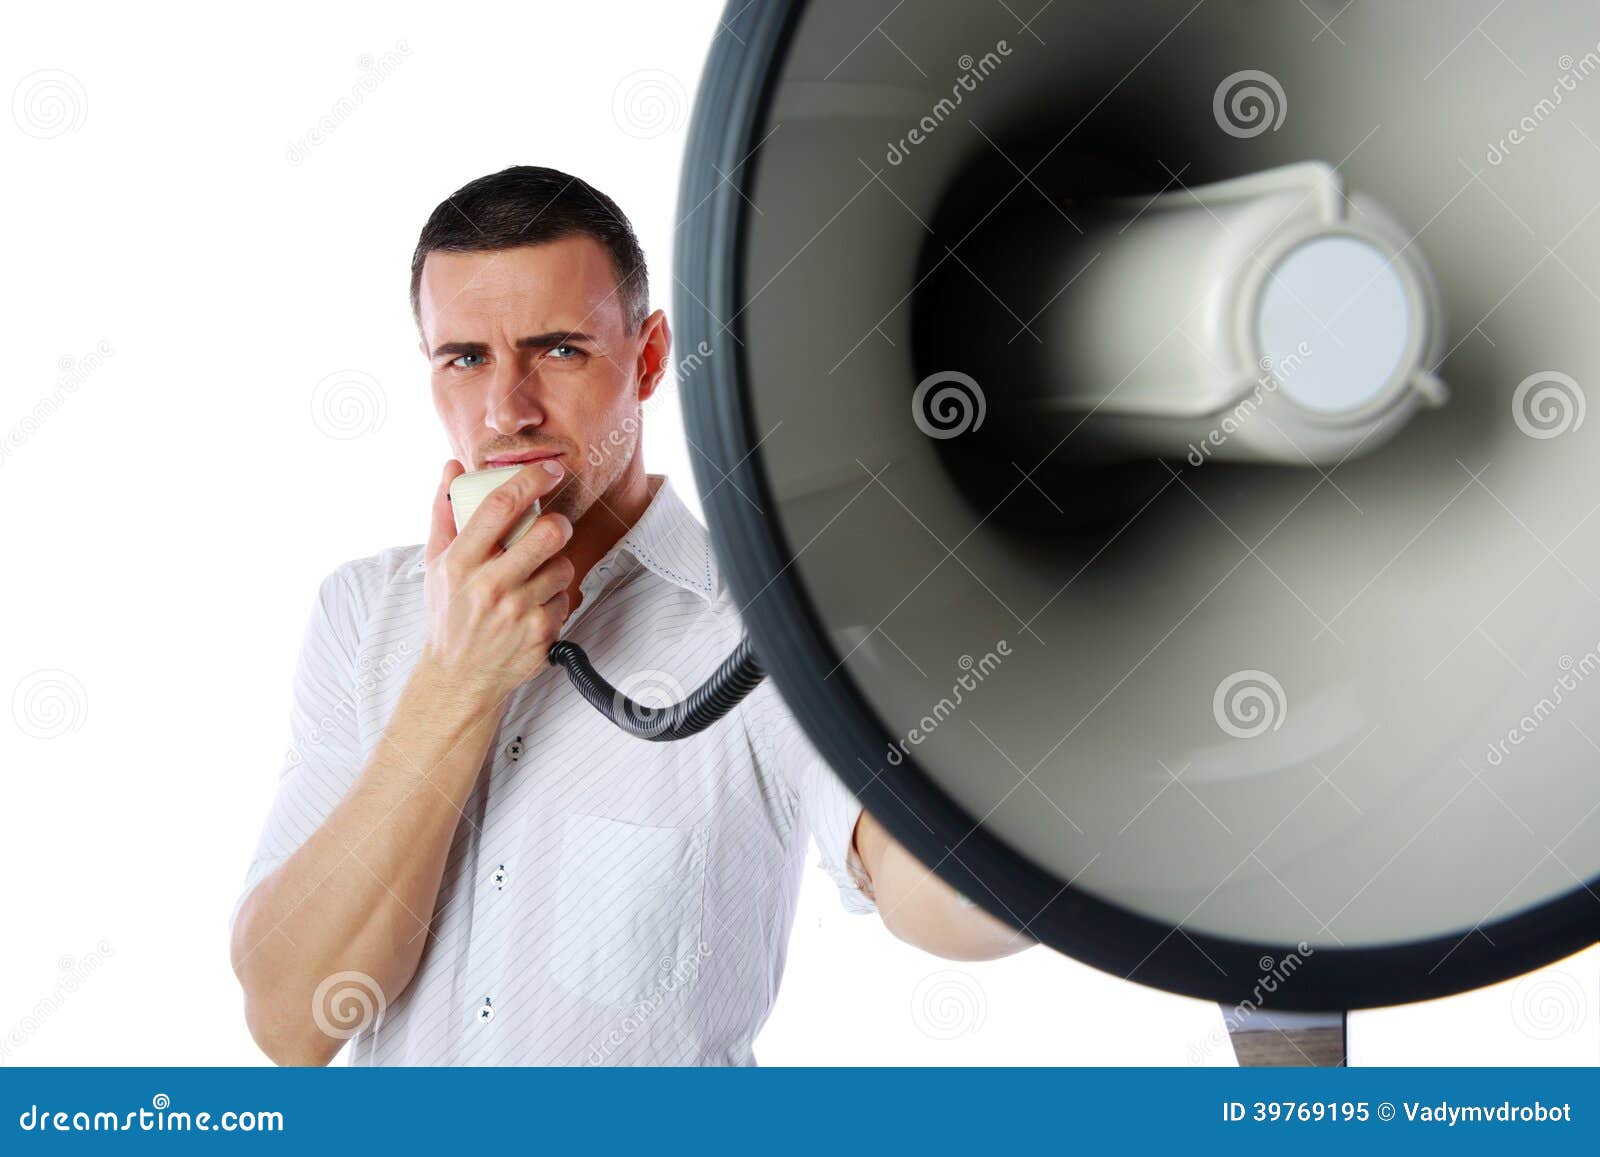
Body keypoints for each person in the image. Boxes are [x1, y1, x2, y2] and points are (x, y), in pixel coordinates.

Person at [229, 165, 1031, 1066]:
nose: (507, 410)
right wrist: (453, 685)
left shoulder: (769, 616)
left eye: (558, 350)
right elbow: (289, 1018)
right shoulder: (361, 613)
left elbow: (936, 894)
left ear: (648, 359)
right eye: (465, 359)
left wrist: (1043, 810)